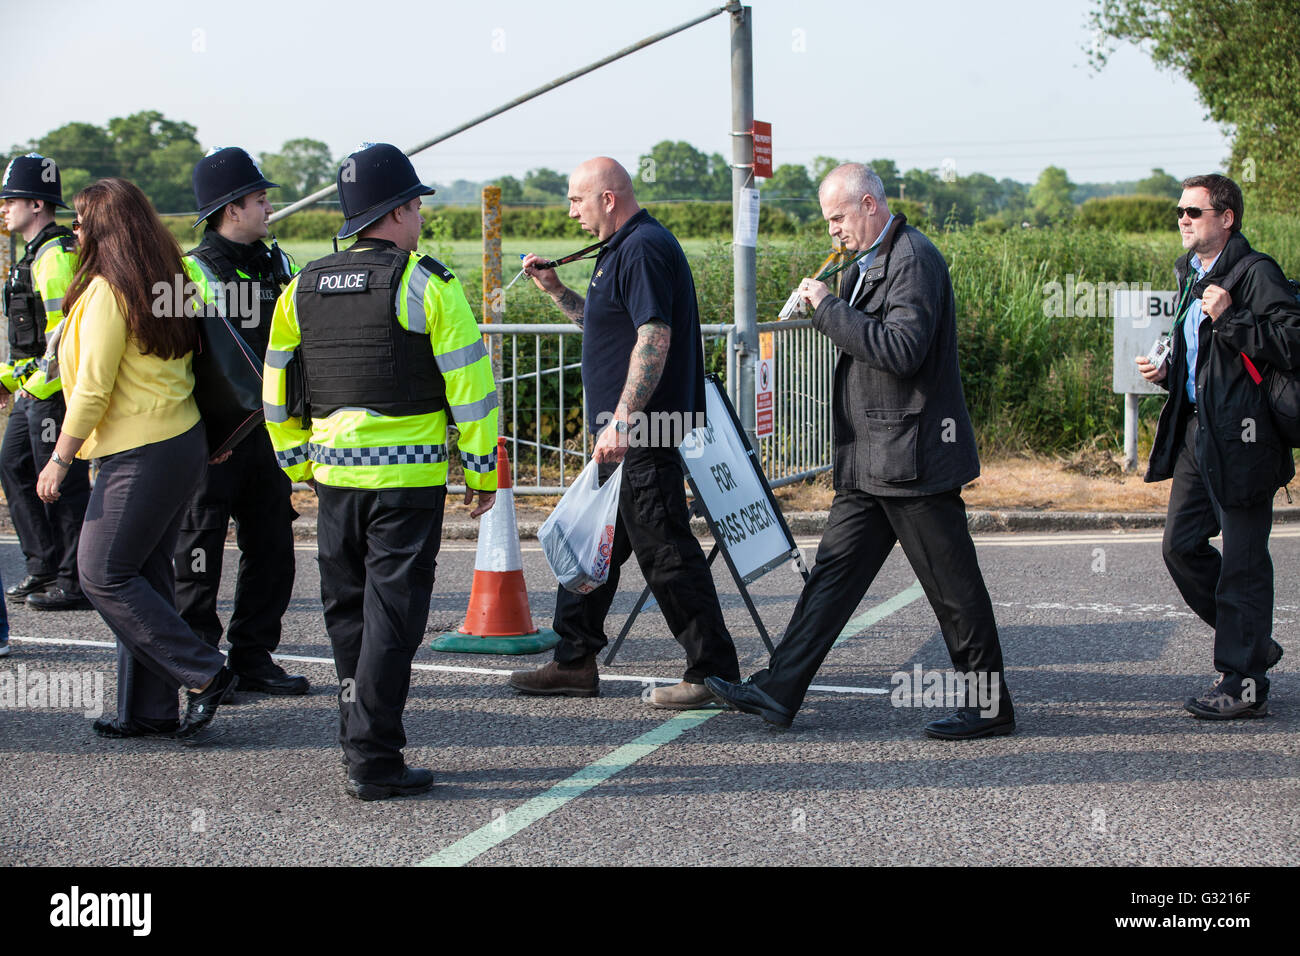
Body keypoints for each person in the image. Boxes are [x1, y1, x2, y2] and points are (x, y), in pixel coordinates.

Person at [706, 163, 1014, 739]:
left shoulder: (911, 260)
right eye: (827, 223)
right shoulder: (872, 259)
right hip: (872, 457)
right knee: (832, 580)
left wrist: (827, 309)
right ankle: (779, 688)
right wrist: (828, 305)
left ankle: (989, 706)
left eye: (838, 219)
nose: (833, 233)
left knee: (953, 589)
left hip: (911, 459)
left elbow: (902, 350)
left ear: (870, 205)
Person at [263, 143, 499, 800]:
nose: (421, 213)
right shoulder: (427, 282)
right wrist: (481, 472)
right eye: (417, 203)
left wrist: (295, 464)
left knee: (348, 615)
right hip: (406, 486)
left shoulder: (301, 286)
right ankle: (373, 757)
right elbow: (471, 389)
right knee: (393, 621)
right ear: (396, 210)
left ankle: (355, 739)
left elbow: (277, 388)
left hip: (333, 482)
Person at [508, 157, 742, 708]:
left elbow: (653, 335)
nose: (572, 213)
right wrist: (556, 291)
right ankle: (574, 660)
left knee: (667, 552)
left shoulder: (640, 248)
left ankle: (711, 671)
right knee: (595, 547)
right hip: (630, 433)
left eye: (576, 201)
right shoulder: (623, 247)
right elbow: (607, 324)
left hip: (641, 434)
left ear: (608, 198)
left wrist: (622, 419)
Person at [37, 177, 235, 739]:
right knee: (145, 571)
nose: (71, 232)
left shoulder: (106, 291)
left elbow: (93, 390)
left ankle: (204, 671)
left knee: (101, 573)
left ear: (100, 228)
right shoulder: (163, 281)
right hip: (178, 442)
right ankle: (148, 711)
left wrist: (59, 458)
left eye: (78, 223)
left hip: (140, 449)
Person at [1135, 174, 1296, 719]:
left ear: (1226, 218)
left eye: (1193, 212)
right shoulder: (1188, 272)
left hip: (1247, 436)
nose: (1182, 219)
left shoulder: (1256, 273)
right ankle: (1252, 644)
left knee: (1245, 560)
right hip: (1198, 431)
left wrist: (1232, 315)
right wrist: (1167, 372)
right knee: (1180, 547)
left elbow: (1292, 343)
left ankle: (1242, 682)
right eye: (1179, 211)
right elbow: (1203, 358)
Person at [175, 147, 307, 698]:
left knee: (272, 551)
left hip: (269, 438)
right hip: (213, 442)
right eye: (259, 198)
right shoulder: (189, 272)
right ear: (232, 208)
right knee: (197, 556)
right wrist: (203, 436)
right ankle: (199, 665)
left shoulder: (280, 264)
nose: (268, 206)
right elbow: (177, 363)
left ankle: (254, 656)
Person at [1, 153, 92, 611]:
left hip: (52, 395)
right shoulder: (33, 254)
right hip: (31, 391)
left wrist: (37, 385)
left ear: (38, 204)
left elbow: (62, 341)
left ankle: (74, 579)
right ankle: (42, 567)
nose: (4, 209)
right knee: (14, 466)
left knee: (62, 483)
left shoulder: (55, 256)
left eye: (11, 200)